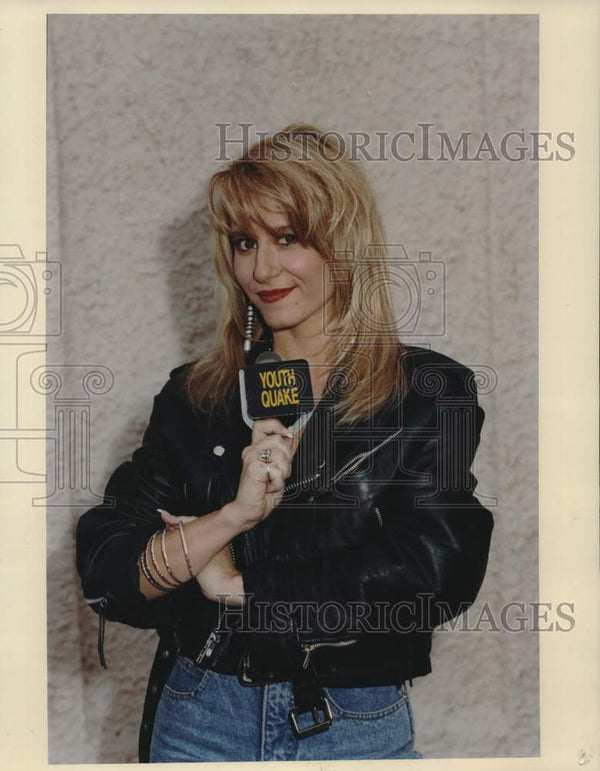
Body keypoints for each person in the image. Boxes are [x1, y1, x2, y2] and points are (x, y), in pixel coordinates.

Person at [76, 123, 494, 763]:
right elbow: (108, 565)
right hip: (199, 717)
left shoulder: (431, 391)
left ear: (342, 243)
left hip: (352, 721)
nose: (261, 268)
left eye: (288, 238)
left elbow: (437, 570)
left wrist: (241, 587)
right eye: (245, 242)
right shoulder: (197, 396)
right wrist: (232, 517)